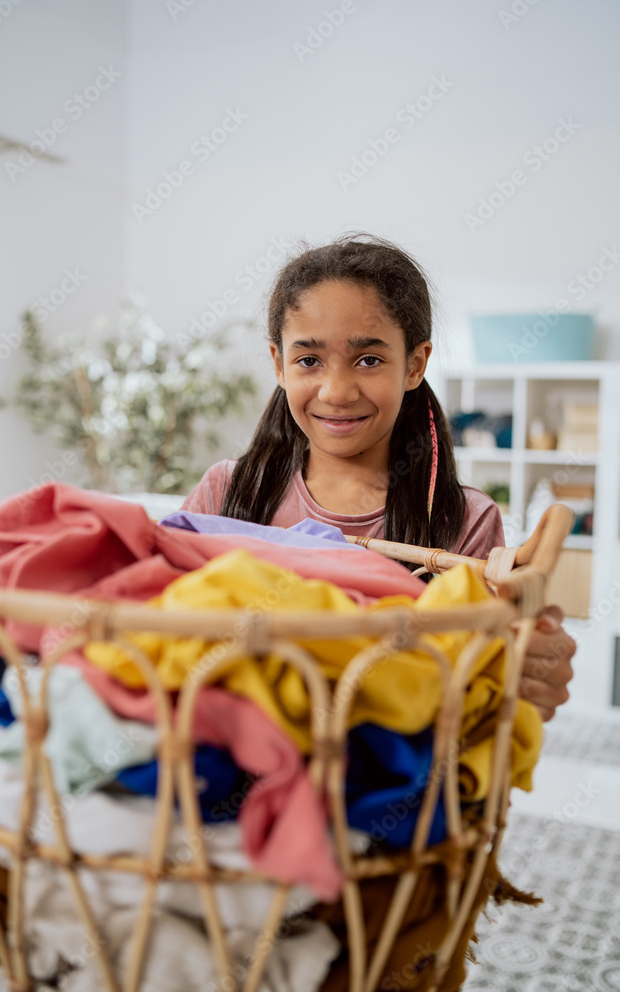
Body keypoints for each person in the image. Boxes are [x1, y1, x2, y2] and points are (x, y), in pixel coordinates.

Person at [181, 234, 575, 720]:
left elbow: (482, 697)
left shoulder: (464, 519)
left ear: (414, 364)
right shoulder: (225, 491)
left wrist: (524, 674)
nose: (337, 391)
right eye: (309, 360)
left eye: (369, 359)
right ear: (279, 364)